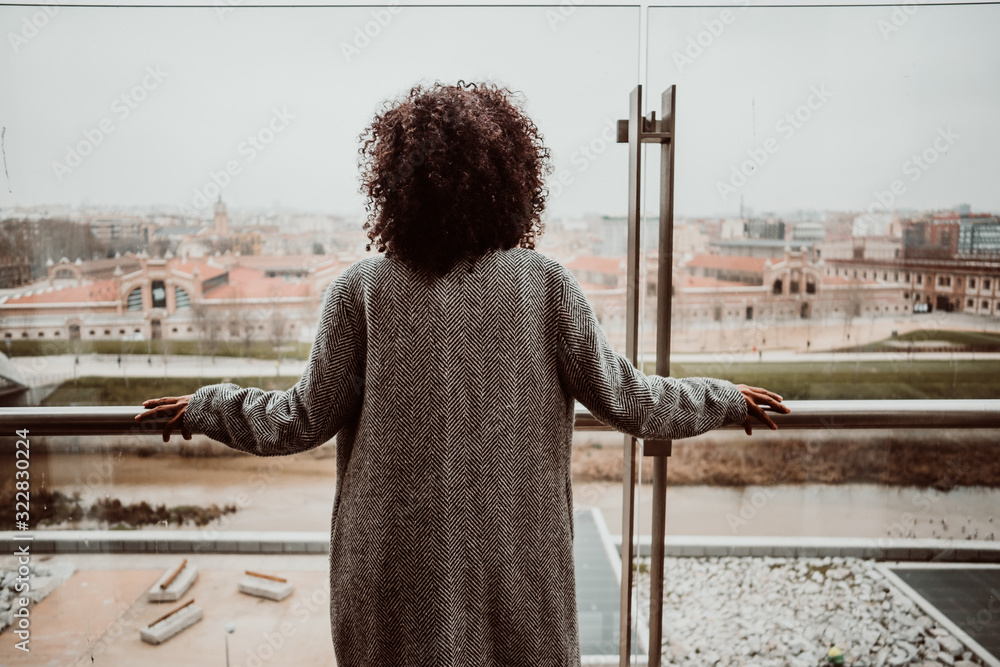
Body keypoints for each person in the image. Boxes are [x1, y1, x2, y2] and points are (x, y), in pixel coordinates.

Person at [137, 81, 789, 667]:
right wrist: (725, 399)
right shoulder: (547, 287)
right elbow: (631, 401)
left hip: (388, 582)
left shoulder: (360, 290)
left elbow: (297, 420)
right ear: (511, 181)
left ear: (394, 187)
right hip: (515, 581)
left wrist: (206, 407)